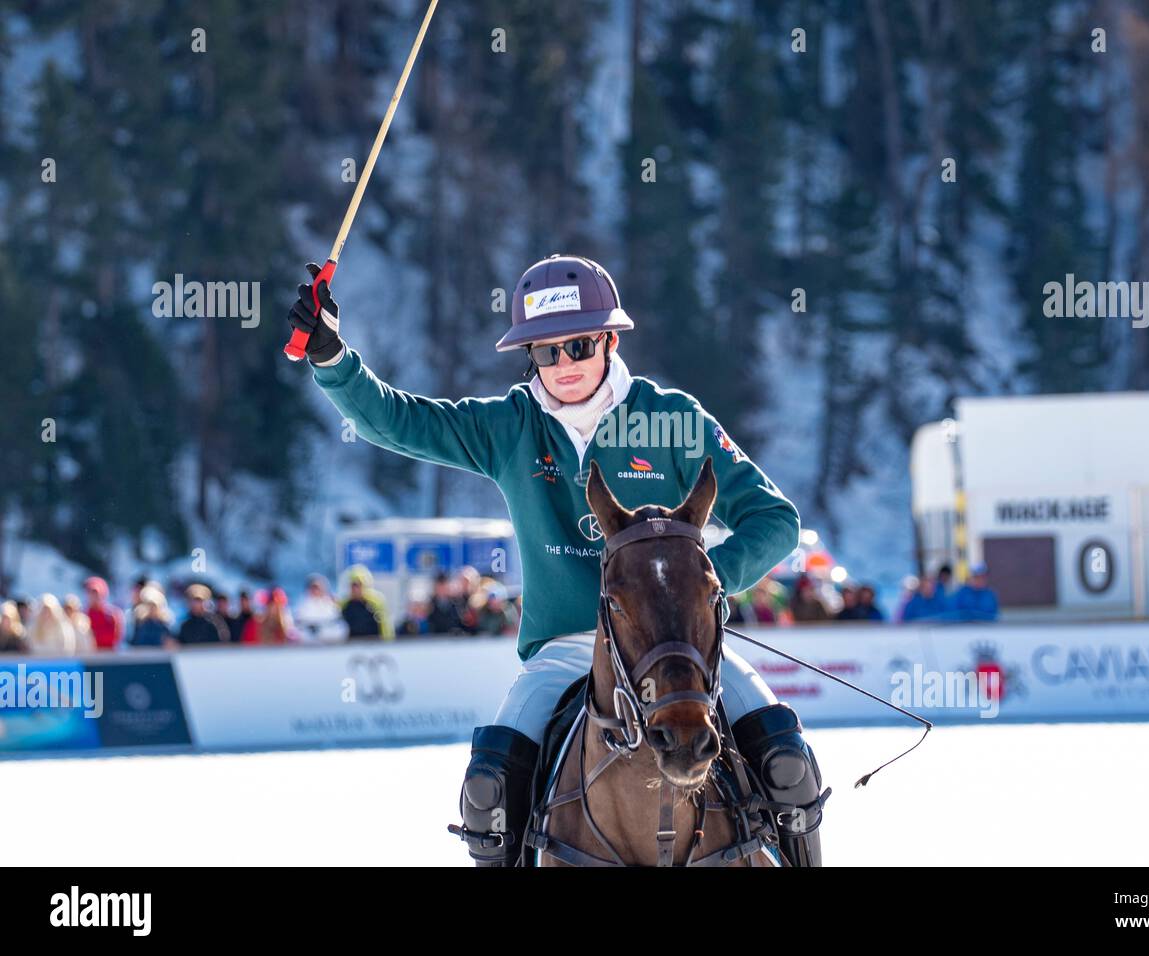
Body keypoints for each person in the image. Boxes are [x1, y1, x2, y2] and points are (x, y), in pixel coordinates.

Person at [288, 253, 824, 867]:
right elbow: (396, 422)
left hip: (679, 649)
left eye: (578, 346)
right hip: (565, 649)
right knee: (488, 794)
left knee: (787, 763)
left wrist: (704, 585)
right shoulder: (512, 426)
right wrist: (332, 357)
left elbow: (775, 520)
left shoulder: (673, 420)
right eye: (546, 351)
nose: (563, 364)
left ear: (609, 340)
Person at [339, 565, 391, 640]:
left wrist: (387, 642)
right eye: (352, 585)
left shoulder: (376, 603)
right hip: (352, 644)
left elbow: (385, 627)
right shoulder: (345, 605)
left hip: (374, 643)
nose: (355, 589)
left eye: (357, 585)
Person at [296, 575, 349, 643]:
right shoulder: (302, 604)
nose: (315, 590)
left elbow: (338, 624)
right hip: (309, 640)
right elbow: (300, 624)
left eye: (317, 587)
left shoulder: (331, 604)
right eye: (313, 587)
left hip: (330, 639)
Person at [83, 576, 124, 651]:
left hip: (109, 654)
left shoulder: (113, 614)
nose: (93, 596)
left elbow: (116, 638)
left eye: (96, 593)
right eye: (90, 593)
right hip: (89, 655)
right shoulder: (83, 616)